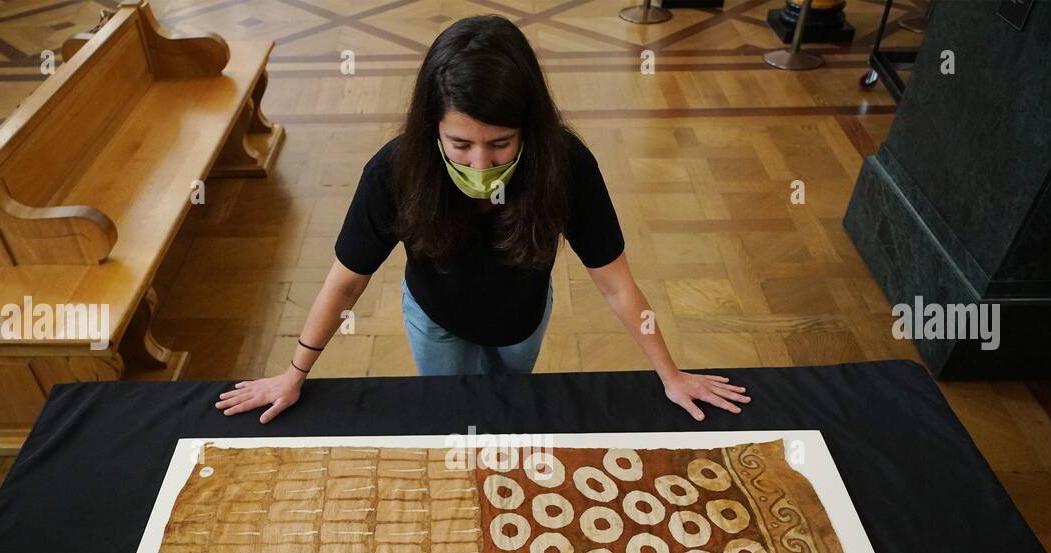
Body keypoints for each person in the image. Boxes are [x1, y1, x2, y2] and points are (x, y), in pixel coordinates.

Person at [217, 14, 749, 423]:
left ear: (528, 129)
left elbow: (614, 284)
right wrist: (293, 374)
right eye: (460, 144)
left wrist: (670, 374)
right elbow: (346, 282)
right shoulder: (395, 171)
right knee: (453, 414)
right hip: (435, 320)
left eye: (500, 144)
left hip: (523, 320)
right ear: (432, 128)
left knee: (507, 404)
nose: (480, 164)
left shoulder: (564, 165)